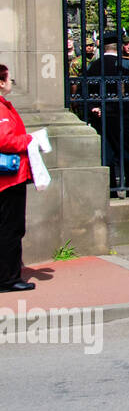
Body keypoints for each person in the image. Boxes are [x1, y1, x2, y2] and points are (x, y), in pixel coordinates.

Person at [84, 31, 129, 194]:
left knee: (107, 154)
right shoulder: (127, 64)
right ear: (120, 46)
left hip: (103, 116)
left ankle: (110, 188)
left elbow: (86, 91)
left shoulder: (94, 66)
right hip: (126, 116)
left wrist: (93, 107)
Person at [0, 64, 37, 292]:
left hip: (9, 177)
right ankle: (8, 278)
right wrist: (29, 140)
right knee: (10, 229)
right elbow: (5, 140)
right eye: (9, 79)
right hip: (9, 178)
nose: (11, 82)